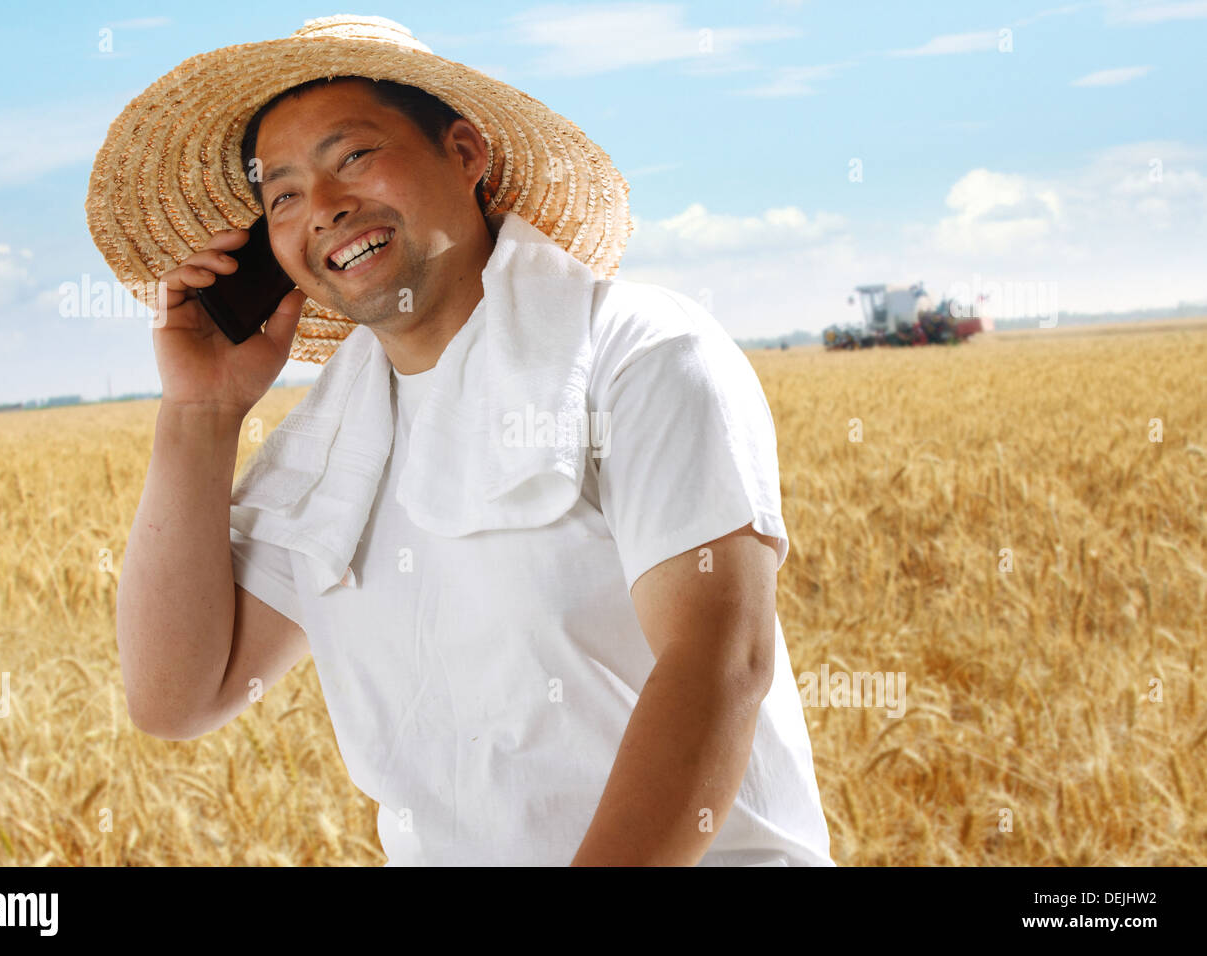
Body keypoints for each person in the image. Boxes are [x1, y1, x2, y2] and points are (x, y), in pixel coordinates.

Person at [89, 14, 834, 867]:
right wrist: (200, 413)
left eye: (354, 156)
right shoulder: (333, 443)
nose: (324, 208)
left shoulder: (639, 352)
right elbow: (176, 697)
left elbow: (718, 663)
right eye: (283, 195)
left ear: (466, 152)